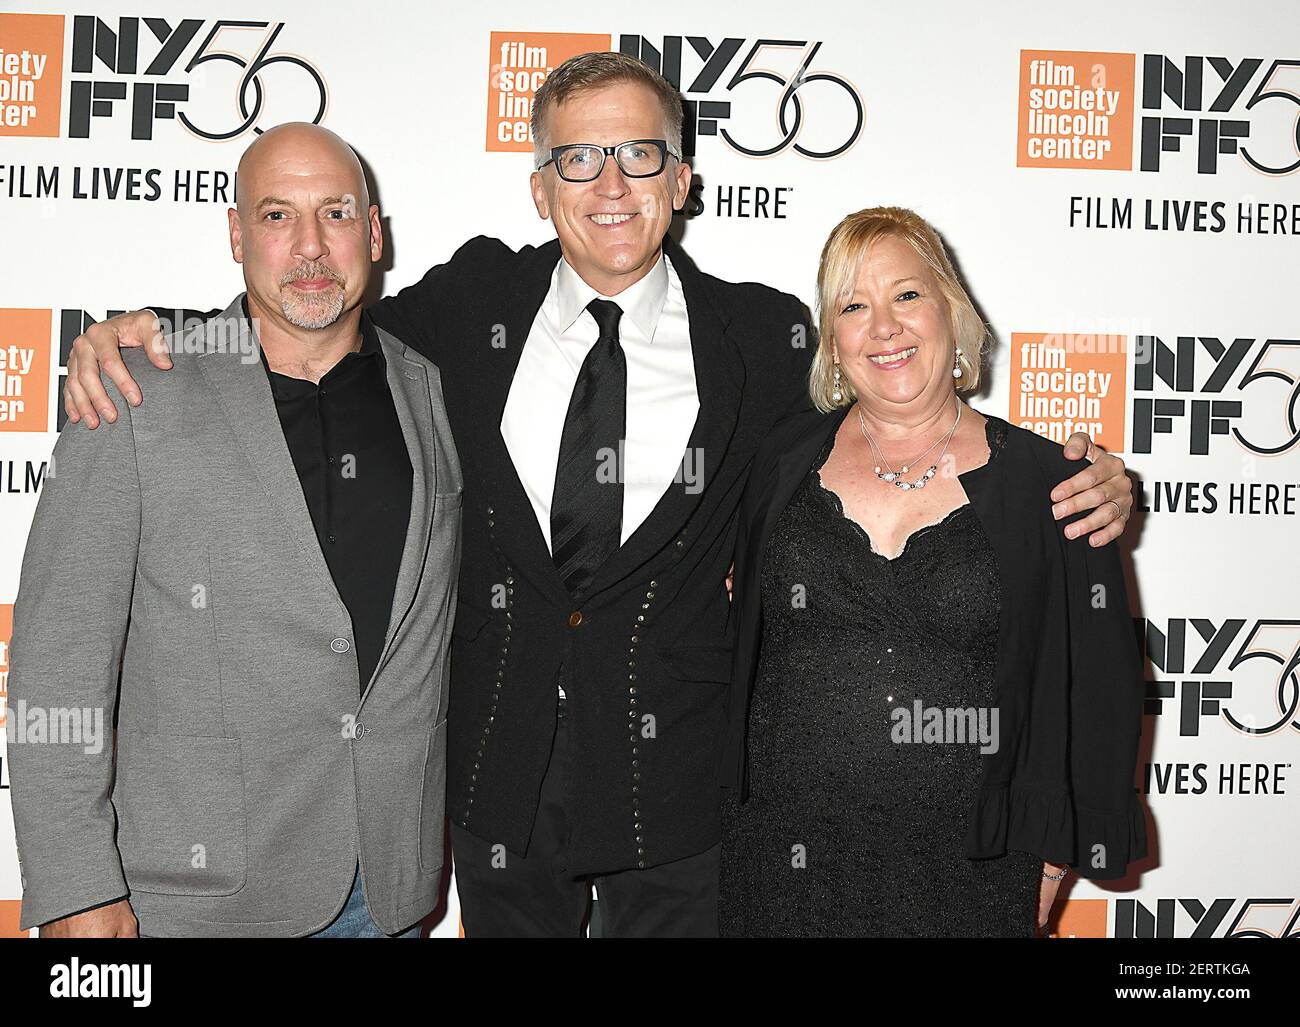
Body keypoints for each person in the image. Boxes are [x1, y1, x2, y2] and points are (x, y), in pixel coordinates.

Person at [59, 54, 1134, 937]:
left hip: (687, 800)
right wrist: (161, 330)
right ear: (539, 186)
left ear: (682, 181)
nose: (609, 185)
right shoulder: (467, 308)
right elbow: (313, 313)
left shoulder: (764, 341)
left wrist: (1082, 478)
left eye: (638, 155)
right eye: (577, 159)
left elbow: (906, 414)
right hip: (496, 787)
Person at [8, 124, 462, 938]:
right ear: (236, 233)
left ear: (375, 231)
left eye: (336, 212)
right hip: (189, 897)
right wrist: (77, 886)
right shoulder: (132, 395)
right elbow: (57, 662)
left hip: (387, 887)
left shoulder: (429, 388)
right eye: (278, 216)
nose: (312, 247)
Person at [718, 207, 1148, 937]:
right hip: (780, 869)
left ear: (954, 311)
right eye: (853, 305)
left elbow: (1101, 684)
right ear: (831, 341)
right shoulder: (779, 464)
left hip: (973, 872)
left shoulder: (1053, 483)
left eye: (907, 295)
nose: (883, 326)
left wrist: (1048, 859)